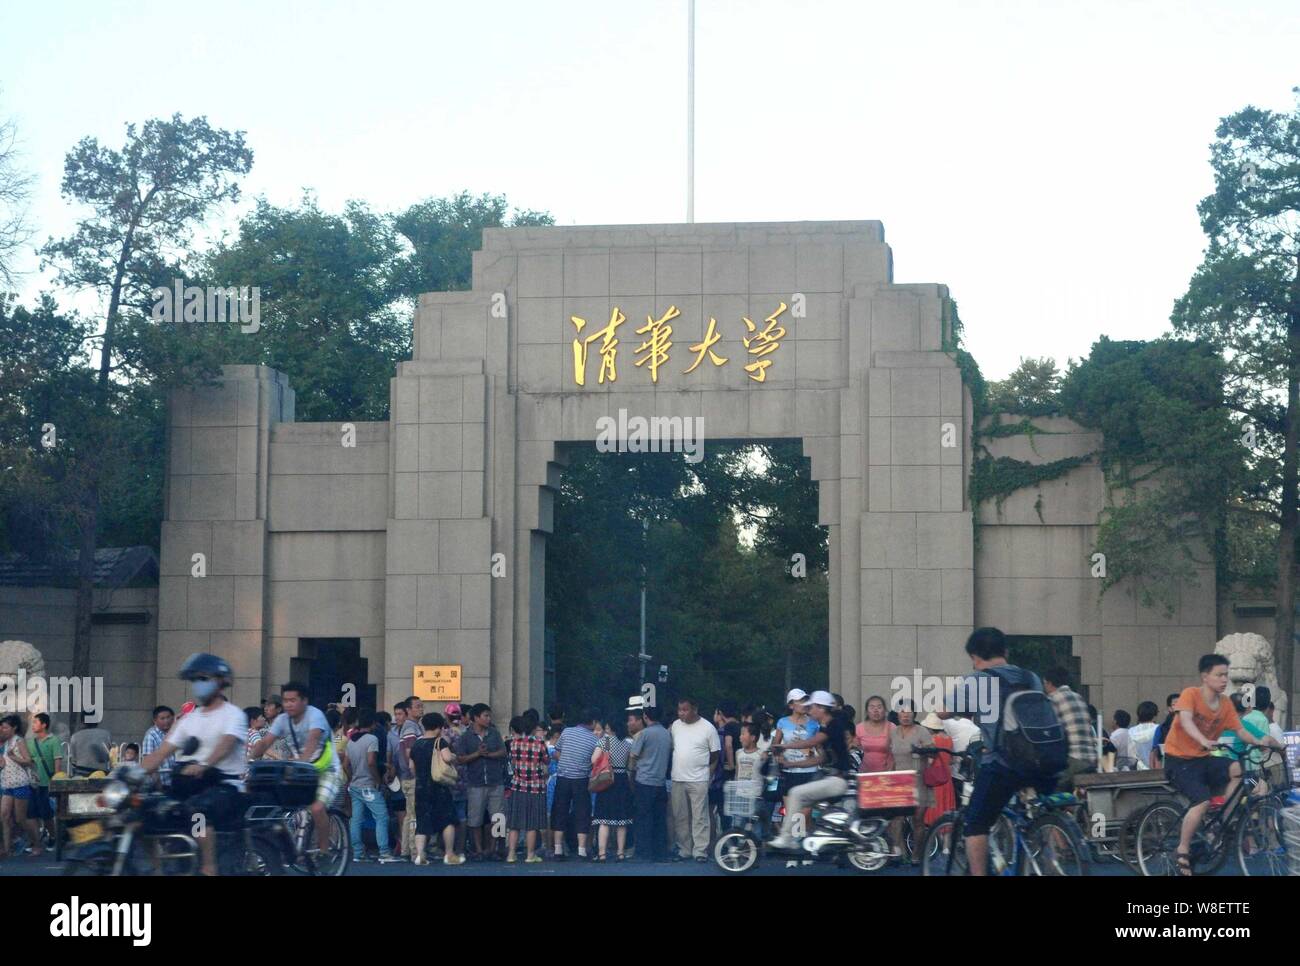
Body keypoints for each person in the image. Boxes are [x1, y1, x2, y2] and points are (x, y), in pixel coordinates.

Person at [944, 627, 1054, 877]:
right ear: (1005, 651)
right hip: (1042, 759)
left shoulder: (977, 680)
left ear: (974, 656)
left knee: (976, 823)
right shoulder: (1031, 677)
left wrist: (960, 711)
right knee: (1025, 814)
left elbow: (943, 711)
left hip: (1004, 762)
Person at [1164, 653, 1281, 875]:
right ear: (1205, 676)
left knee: (1237, 769)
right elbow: (1186, 721)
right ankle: (1182, 849)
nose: (1224, 679)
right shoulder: (1191, 695)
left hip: (1202, 759)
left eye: (1226, 675)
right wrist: (1202, 739)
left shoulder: (1226, 704)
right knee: (1201, 801)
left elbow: (1241, 731)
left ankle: (1221, 823)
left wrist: (1258, 742)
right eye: (1220, 675)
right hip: (1178, 761)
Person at [140, 653, 248, 876]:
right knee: (142, 812)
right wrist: (132, 772)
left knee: (198, 812)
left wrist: (205, 764)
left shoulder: (233, 714)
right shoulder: (189, 719)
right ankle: (159, 869)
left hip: (225, 787)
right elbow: (161, 753)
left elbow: (226, 744)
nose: (198, 684)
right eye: (195, 679)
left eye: (204, 678)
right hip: (188, 785)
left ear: (220, 681)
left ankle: (209, 867)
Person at [248, 682, 342, 859]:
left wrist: (303, 761)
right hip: (301, 772)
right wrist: (249, 759)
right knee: (277, 806)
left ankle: (324, 850)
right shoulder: (282, 720)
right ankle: (289, 846)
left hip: (326, 770)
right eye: (285, 700)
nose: (288, 704)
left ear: (304, 701)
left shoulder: (315, 716)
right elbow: (265, 742)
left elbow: (312, 741)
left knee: (316, 808)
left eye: (293, 700)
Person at [768, 691, 852, 849]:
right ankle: (804, 841)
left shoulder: (832, 726)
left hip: (837, 780)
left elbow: (811, 742)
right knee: (799, 801)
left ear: (821, 708)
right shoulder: (826, 726)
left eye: (811, 706)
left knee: (796, 794)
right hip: (830, 779)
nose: (809, 710)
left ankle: (787, 838)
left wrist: (785, 745)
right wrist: (791, 764)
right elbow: (820, 759)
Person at [342, 710, 398, 863]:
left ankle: (358, 852)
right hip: (369, 785)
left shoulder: (351, 740)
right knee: (382, 817)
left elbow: (345, 764)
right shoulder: (372, 739)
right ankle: (384, 852)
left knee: (356, 819)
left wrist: (352, 776)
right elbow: (372, 761)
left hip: (354, 785)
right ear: (372, 724)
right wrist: (377, 779)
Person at [668, 696, 719, 862]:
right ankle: (685, 849)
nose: (681, 713)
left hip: (699, 779)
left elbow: (715, 754)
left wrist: (707, 773)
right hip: (678, 777)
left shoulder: (708, 728)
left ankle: (700, 851)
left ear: (694, 709)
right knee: (680, 815)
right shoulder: (675, 726)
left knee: (700, 816)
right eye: (679, 710)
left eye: (685, 710)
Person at [453, 703, 507, 860]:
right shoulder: (466, 737)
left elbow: (503, 752)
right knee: (475, 818)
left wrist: (489, 754)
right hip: (475, 783)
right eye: (485, 716)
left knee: (498, 817)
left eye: (489, 716)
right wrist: (477, 754)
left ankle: (492, 849)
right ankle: (478, 850)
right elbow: (460, 758)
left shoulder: (494, 733)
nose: (488, 719)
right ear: (476, 718)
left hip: (495, 781)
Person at [409, 713, 461, 865]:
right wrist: (453, 756)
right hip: (438, 787)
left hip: (420, 787)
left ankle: (420, 854)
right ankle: (449, 854)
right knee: (447, 820)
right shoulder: (440, 742)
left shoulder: (416, 744)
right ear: (439, 727)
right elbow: (446, 758)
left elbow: (411, 767)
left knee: (422, 822)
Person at [551, 708, 601, 860]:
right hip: (581, 780)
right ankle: (581, 851)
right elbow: (594, 762)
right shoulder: (594, 740)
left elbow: (556, 752)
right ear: (592, 723)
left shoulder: (566, 732)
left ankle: (558, 850)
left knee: (560, 812)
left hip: (563, 778)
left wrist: (567, 761)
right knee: (582, 814)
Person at [888, 701, 935, 862]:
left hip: (919, 780)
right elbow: (890, 757)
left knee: (918, 820)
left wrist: (923, 751)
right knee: (896, 819)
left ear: (914, 714)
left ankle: (917, 854)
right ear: (898, 714)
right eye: (902, 712)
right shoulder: (893, 732)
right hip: (899, 780)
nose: (906, 715)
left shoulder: (922, 731)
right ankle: (901, 852)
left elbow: (933, 755)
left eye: (909, 712)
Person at [773, 689, 820, 833]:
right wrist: (779, 755)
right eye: (800, 701)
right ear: (791, 705)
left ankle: (806, 844)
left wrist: (812, 752)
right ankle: (794, 846)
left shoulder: (814, 723)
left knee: (806, 813)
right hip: (788, 771)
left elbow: (819, 746)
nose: (804, 704)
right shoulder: (782, 722)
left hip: (808, 771)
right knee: (791, 812)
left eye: (805, 700)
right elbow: (776, 745)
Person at [629, 703, 671, 862]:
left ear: (645, 717)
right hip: (660, 782)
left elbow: (633, 756)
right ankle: (660, 852)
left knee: (643, 818)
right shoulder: (667, 734)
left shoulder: (644, 734)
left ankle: (643, 853)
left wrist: (632, 775)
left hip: (644, 781)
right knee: (660, 819)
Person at [1042, 667, 1098, 781]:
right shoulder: (1078, 697)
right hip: (1091, 759)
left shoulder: (1052, 700)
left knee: (1051, 791)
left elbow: (1049, 733)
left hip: (1072, 759)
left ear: (1049, 683)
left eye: (1044, 683)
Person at [504, 715, 548, 863]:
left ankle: (511, 854)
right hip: (536, 787)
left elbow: (513, 760)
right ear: (534, 728)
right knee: (532, 824)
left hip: (517, 786)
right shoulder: (540, 743)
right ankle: (530, 855)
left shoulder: (514, 743)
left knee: (514, 823)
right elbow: (546, 760)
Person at [592, 717, 633, 861]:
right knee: (622, 820)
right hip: (622, 780)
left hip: (607, 779)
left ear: (611, 728)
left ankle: (602, 853)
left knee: (604, 819)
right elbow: (630, 764)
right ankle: (620, 852)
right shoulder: (628, 743)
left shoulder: (605, 741)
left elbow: (593, 759)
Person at [0, 714, 41, 857]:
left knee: (20, 819)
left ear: (14, 728)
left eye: (5, 727)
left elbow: (29, 761)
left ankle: (36, 844)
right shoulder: (5, 743)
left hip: (20, 784)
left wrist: (13, 757)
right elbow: (4, 764)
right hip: (7, 784)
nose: (2, 729)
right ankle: (6, 849)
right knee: (4, 816)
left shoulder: (19, 741)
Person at [25, 712, 60, 844]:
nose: (33, 725)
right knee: (31, 814)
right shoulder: (30, 742)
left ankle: (52, 836)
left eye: (35, 722)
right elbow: (28, 761)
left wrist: (55, 781)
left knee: (46, 815)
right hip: (33, 783)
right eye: (32, 722)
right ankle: (36, 840)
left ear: (44, 725)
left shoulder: (54, 740)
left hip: (47, 783)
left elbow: (57, 762)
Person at [393, 699, 421, 860]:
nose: (421, 709)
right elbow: (411, 753)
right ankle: (414, 851)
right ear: (409, 710)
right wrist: (417, 773)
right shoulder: (411, 727)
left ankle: (406, 849)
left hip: (407, 777)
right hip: (413, 777)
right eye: (417, 707)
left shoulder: (411, 726)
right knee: (414, 815)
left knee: (409, 815)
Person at [920, 712, 956, 826]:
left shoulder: (932, 740)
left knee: (934, 817)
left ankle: (934, 841)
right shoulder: (949, 739)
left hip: (934, 781)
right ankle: (946, 843)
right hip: (947, 780)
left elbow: (929, 762)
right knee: (946, 815)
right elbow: (951, 760)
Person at [855, 695, 894, 774]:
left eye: (879, 707)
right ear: (867, 711)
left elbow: (896, 752)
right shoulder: (859, 728)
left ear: (885, 710)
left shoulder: (892, 727)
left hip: (886, 773)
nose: (876, 710)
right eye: (872, 707)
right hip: (863, 773)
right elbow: (855, 751)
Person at [140, 705, 175, 788]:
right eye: (162, 718)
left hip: (177, 781)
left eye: (168, 717)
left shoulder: (176, 732)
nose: (166, 721)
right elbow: (149, 763)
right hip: (162, 784)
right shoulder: (151, 736)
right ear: (155, 721)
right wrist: (159, 787)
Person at [1150, 692, 1181, 767]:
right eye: (1175, 704)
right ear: (1169, 708)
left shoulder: (1192, 726)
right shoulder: (1162, 728)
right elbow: (1155, 751)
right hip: (1167, 766)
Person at [1130, 702, 1160, 770]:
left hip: (1138, 769)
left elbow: (1130, 756)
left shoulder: (1131, 731)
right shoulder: (1159, 729)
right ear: (1154, 715)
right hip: (1156, 768)